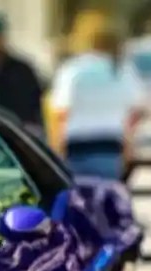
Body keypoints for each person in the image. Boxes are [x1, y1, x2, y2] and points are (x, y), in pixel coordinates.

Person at [49, 26, 144, 178]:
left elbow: (61, 113)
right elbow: (135, 112)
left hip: (76, 145)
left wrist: (56, 148)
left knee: (77, 190)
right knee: (106, 190)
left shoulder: (72, 69)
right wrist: (129, 147)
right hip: (110, 145)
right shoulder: (123, 71)